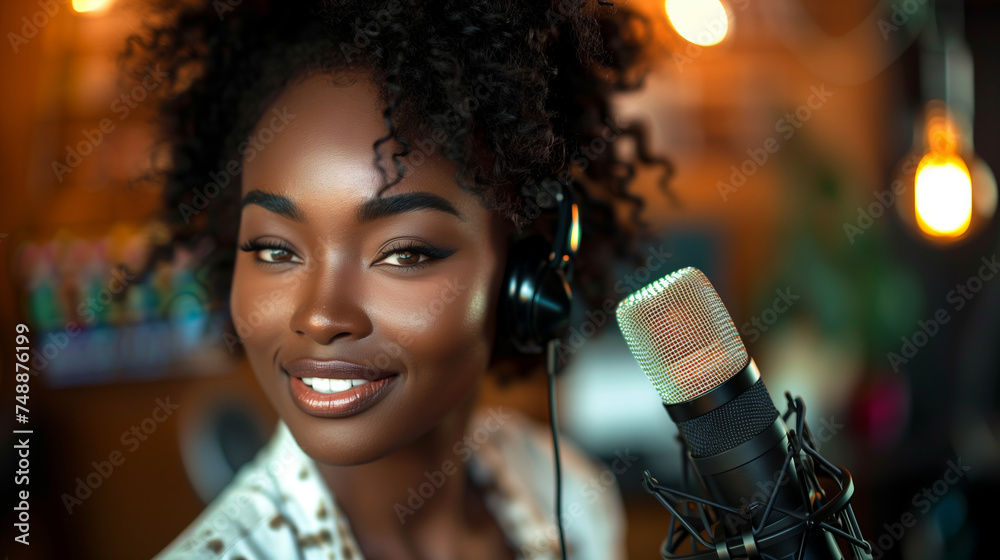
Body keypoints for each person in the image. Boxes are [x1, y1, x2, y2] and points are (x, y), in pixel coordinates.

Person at [125, 1, 672, 558]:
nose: (319, 316)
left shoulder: (570, 498)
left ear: (528, 268)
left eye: (404, 254)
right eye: (273, 249)